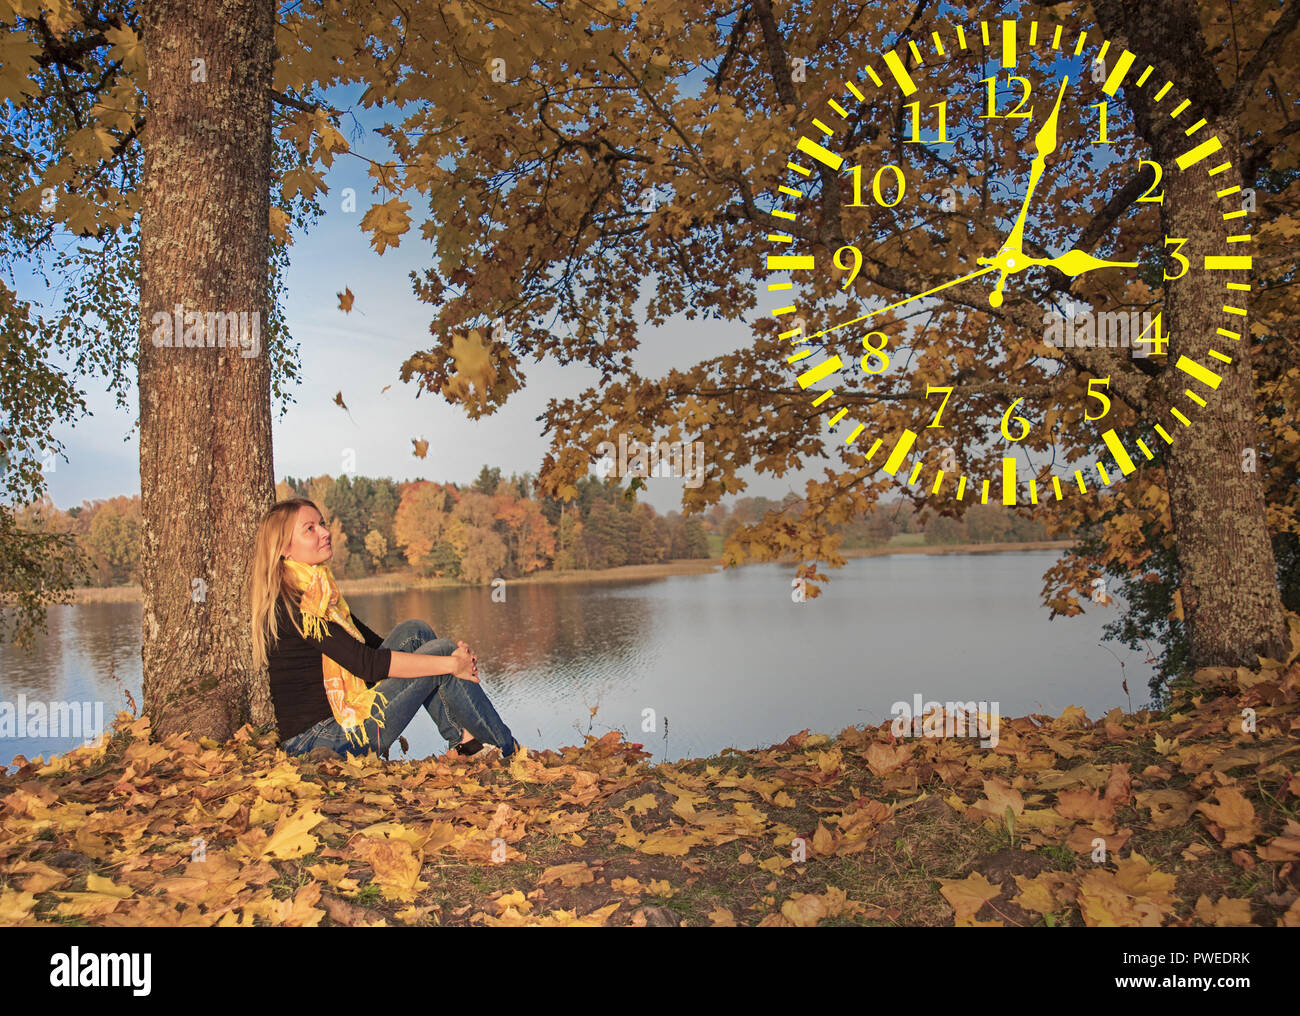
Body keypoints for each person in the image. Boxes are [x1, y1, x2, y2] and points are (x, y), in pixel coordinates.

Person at [247, 497, 520, 762]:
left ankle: (465, 741)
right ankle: (507, 751)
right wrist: (450, 663)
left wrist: (447, 663)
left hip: (335, 726)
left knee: (416, 633)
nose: (325, 532)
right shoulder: (298, 605)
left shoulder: (317, 592)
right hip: (320, 741)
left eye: (322, 523)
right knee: (443, 653)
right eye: (310, 529)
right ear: (284, 548)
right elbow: (367, 665)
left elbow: (373, 648)